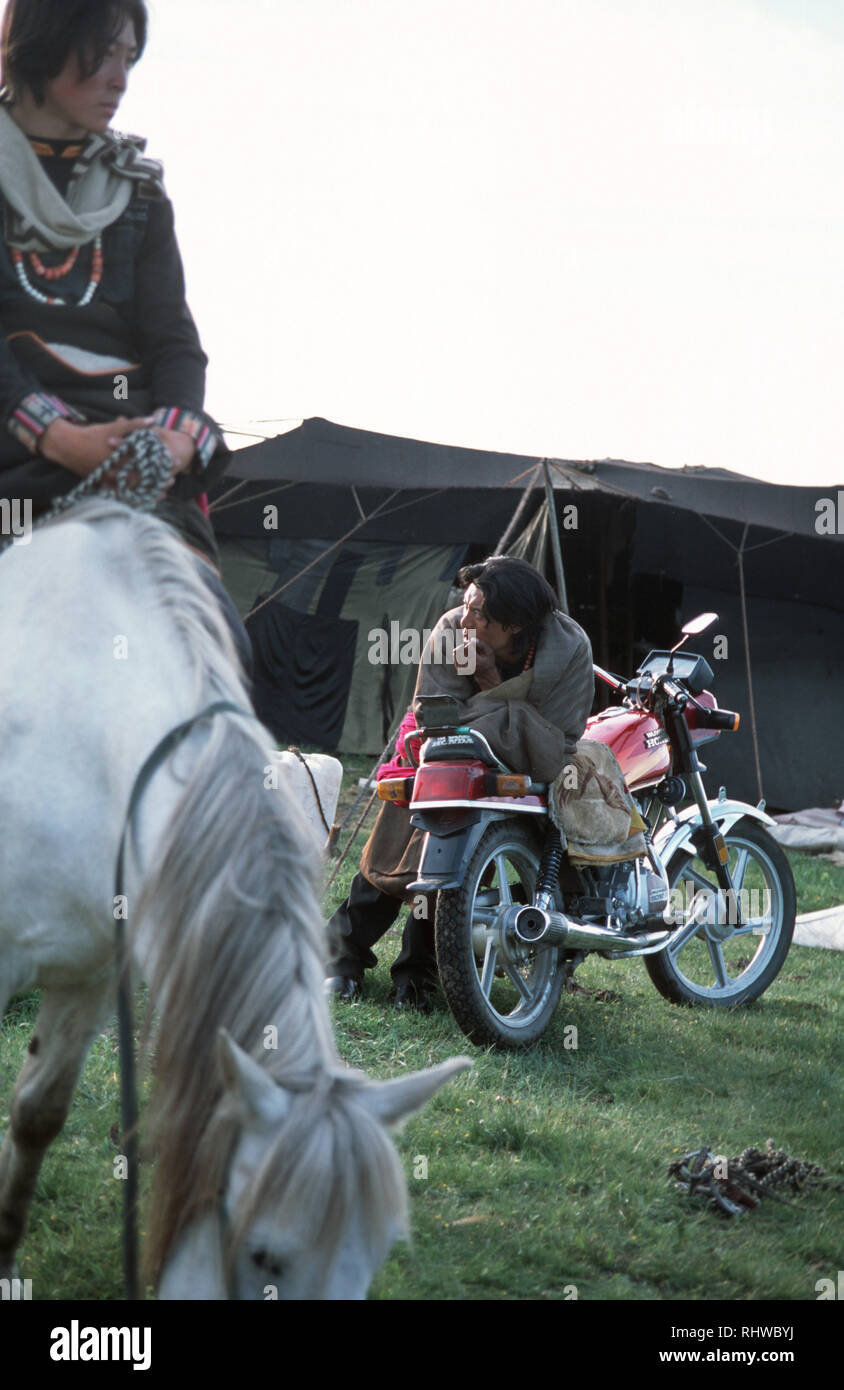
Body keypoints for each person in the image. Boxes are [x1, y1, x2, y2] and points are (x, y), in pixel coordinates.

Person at [0, 0, 237, 615]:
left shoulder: (137, 190)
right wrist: (57, 437)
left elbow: (174, 343)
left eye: (128, 57)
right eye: (103, 53)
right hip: (15, 453)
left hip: (132, 452)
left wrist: (174, 439)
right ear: (42, 42)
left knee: (209, 632)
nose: (120, 78)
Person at [326, 554, 595, 1010]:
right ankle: (338, 961)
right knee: (400, 846)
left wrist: (488, 683)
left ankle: (417, 975)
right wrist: (511, 718)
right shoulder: (452, 627)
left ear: (514, 626)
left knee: (461, 871)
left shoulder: (569, 649)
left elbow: (557, 739)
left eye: (480, 614)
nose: (464, 617)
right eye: (467, 604)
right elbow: (437, 718)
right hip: (443, 762)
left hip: (525, 778)